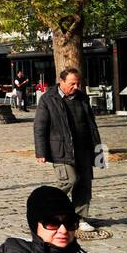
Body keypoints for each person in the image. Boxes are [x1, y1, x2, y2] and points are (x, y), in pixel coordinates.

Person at [33, 67, 102, 232]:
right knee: (69, 180)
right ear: (61, 82)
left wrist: (99, 151)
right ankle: (46, 207)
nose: (76, 87)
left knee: (84, 184)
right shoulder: (48, 99)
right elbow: (40, 127)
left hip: (83, 149)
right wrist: (41, 152)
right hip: (61, 149)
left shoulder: (82, 97)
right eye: (72, 83)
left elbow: (92, 126)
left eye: (78, 83)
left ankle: (79, 218)